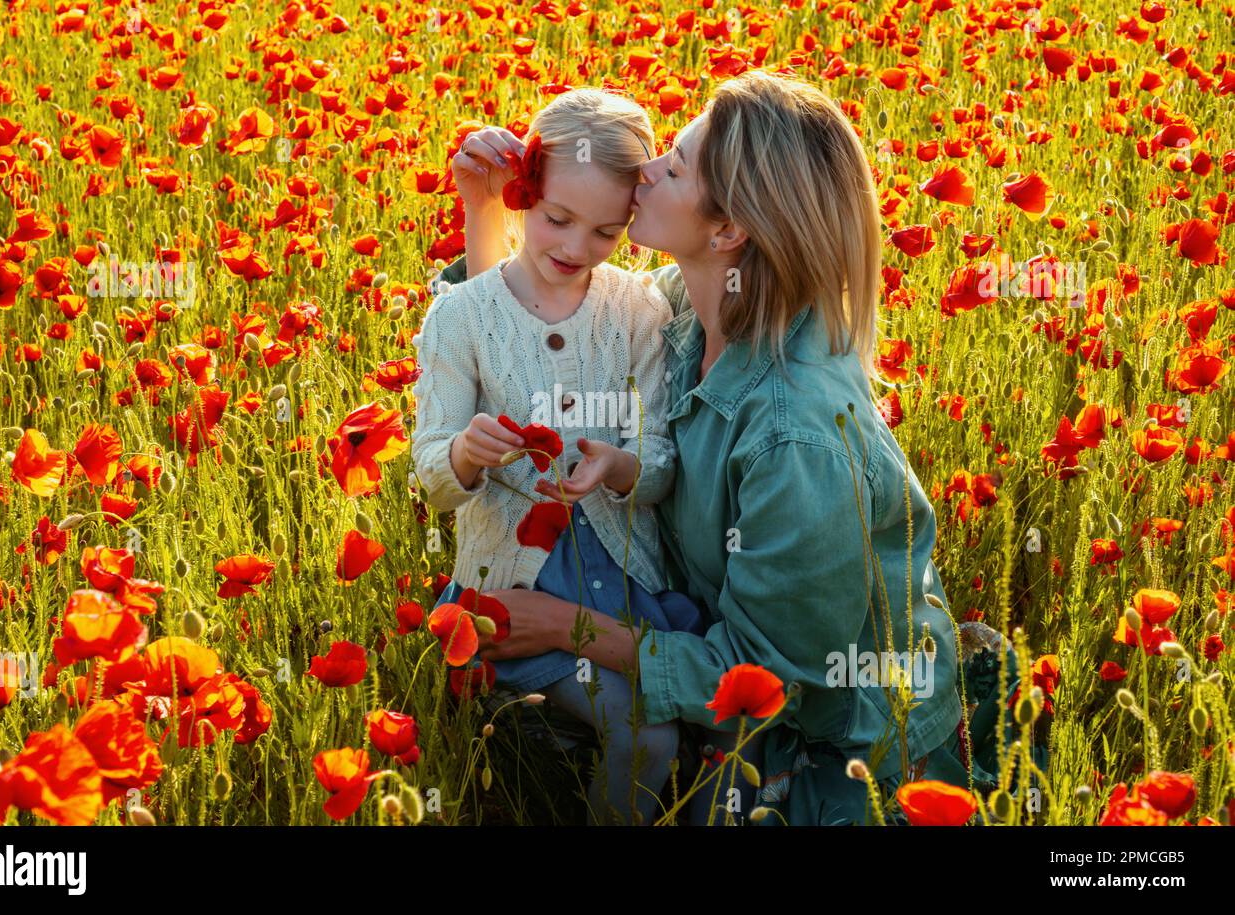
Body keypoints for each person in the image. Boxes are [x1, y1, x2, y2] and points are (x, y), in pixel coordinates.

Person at [444, 70, 1041, 826]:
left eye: (678, 163)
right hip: (697, 646)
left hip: (820, 744)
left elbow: (762, 683)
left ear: (728, 231)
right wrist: (489, 203)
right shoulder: (681, 314)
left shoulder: (797, 439)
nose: (648, 166)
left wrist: (566, 628)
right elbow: (516, 333)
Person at [412, 87, 718, 826]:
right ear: (525, 192)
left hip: (617, 581)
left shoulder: (638, 311)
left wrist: (616, 465)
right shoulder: (461, 314)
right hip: (508, 589)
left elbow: (661, 461)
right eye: (556, 219)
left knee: (679, 727)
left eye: (607, 232)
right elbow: (430, 478)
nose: (576, 249)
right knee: (646, 729)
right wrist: (464, 453)